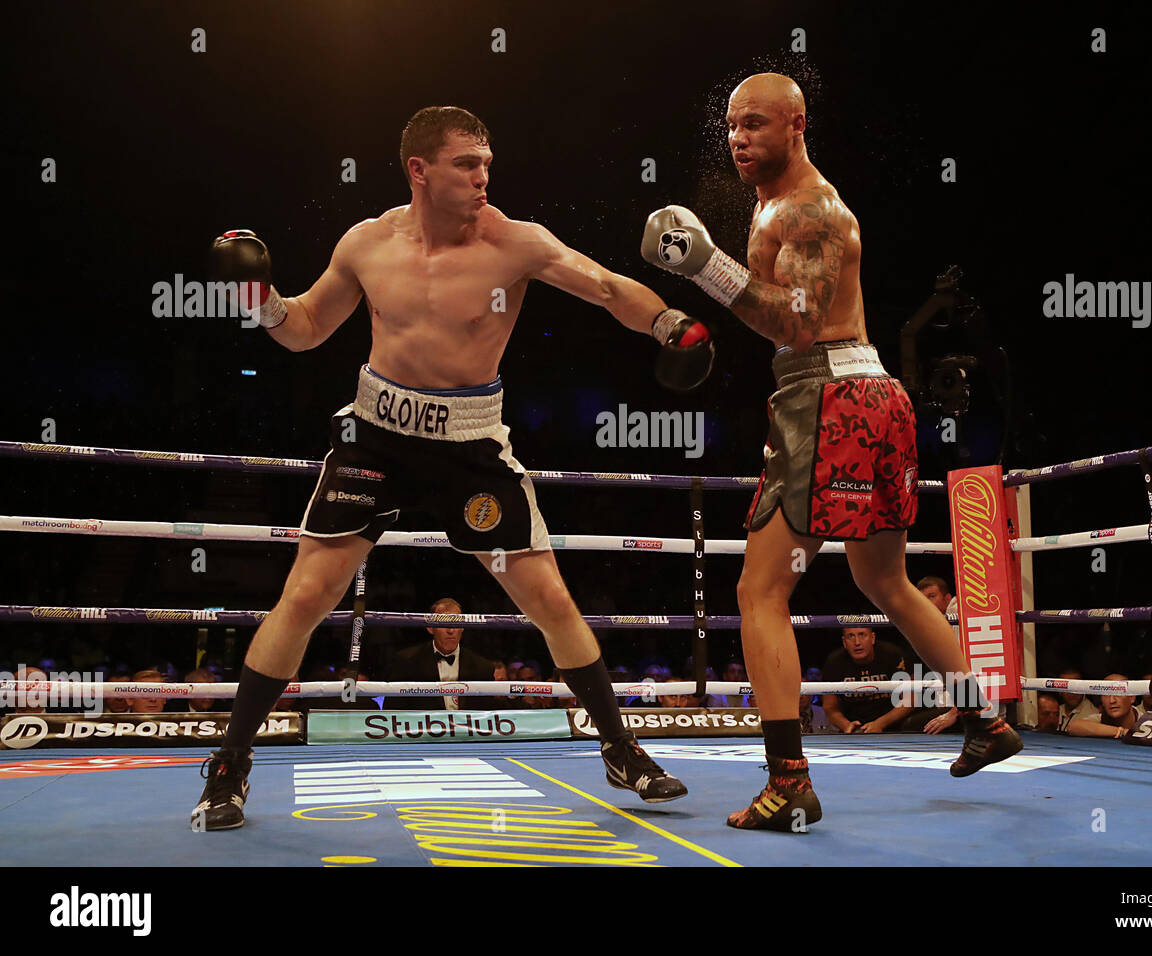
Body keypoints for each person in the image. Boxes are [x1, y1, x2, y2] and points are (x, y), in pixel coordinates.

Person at [192, 106, 705, 830]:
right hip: (376, 435)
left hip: (470, 445)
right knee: (307, 594)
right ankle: (229, 766)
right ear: (419, 170)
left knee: (551, 602)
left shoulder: (515, 242)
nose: (483, 176)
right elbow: (305, 328)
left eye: (487, 162)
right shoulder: (368, 243)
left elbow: (609, 287)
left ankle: (620, 748)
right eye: (467, 164)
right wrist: (260, 301)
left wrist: (668, 324)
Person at [642, 73, 1020, 831]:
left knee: (759, 591)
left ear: (797, 124)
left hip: (830, 398)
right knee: (885, 579)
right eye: (731, 128)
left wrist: (705, 268)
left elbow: (799, 325)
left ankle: (790, 784)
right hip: (869, 395)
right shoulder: (778, 204)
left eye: (755, 124)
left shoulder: (811, 209)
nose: (739, 139)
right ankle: (988, 720)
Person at [389, 597, 496, 710]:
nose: (451, 631)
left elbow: (488, 715)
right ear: (430, 628)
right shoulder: (407, 661)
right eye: (444, 623)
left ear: (463, 627)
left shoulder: (483, 667)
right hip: (425, 726)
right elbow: (395, 710)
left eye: (456, 624)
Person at [821, 628, 910, 734]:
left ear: (872, 638)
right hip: (853, 729)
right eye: (851, 636)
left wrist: (881, 723)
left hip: (894, 728)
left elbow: (910, 699)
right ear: (844, 642)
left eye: (862, 635)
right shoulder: (834, 662)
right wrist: (846, 725)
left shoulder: (892, 655)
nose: (857, 642)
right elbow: (830, 706)